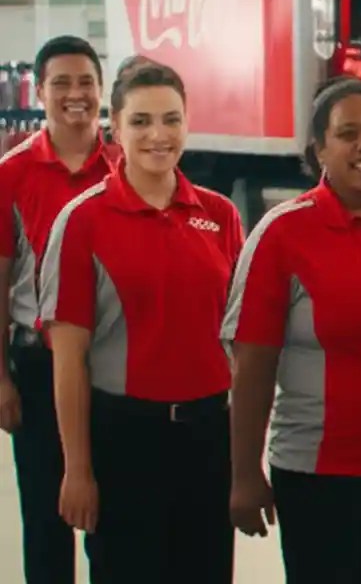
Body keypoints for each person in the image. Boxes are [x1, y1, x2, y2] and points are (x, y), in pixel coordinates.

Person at [222, 75, 361, 583]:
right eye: (348, 134)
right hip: (318, 476)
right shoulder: (282, 235)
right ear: (319, 150)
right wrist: (244, 475)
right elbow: (252, 367)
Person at [37, 62, 244, 584]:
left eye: (171, 120)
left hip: (207, 437)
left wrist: (244, 458)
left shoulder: (219, 216)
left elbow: (241, 345)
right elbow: (67, 359)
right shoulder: (83, 221)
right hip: (123, 441)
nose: (158, 135)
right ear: (116, 129)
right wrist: (78, 469)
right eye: (142, 121)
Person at [0, 35, 116, 584]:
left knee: (112, 523)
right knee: (46, 522)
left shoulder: (125, 165)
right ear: (40, 91)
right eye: (62, 83)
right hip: (39, 366)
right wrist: (0, 376)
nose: (76, 95)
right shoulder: (12, 175)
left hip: (114, 369)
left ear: (103, 91)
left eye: (87, 83)